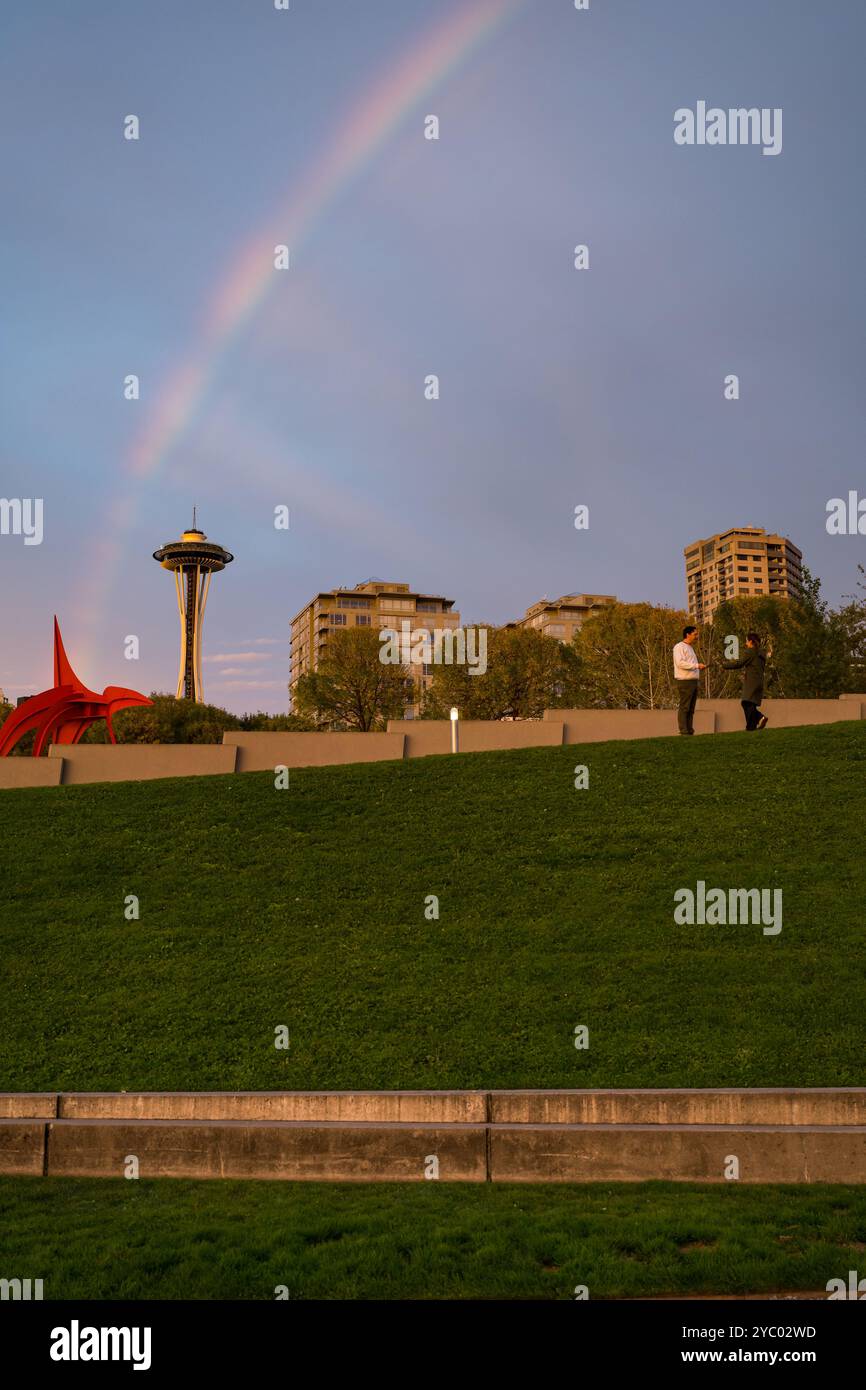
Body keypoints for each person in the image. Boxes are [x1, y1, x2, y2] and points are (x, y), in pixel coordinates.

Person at [723, 632, 768, 730]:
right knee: (750, 704)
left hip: (752, 681)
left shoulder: (750, 652)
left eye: (747, 641)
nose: (746, 643)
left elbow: (739, 663)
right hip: (759, 681)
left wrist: (724, 665)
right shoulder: (761, 652)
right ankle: (752, 726)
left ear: (751, 641)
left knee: (746, 703)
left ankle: (759, 719)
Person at [672, 625, 706, 735]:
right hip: (685, 681)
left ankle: (689, 730)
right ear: (688, 634)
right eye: (695, 634)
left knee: (691, 708)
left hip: (693, 682)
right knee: (685, 707)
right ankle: (683, 730)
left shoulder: (690, 647)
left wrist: (698, 667)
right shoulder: (679, 647)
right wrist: (696, 665)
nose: (697, 636)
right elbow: (680, 663)